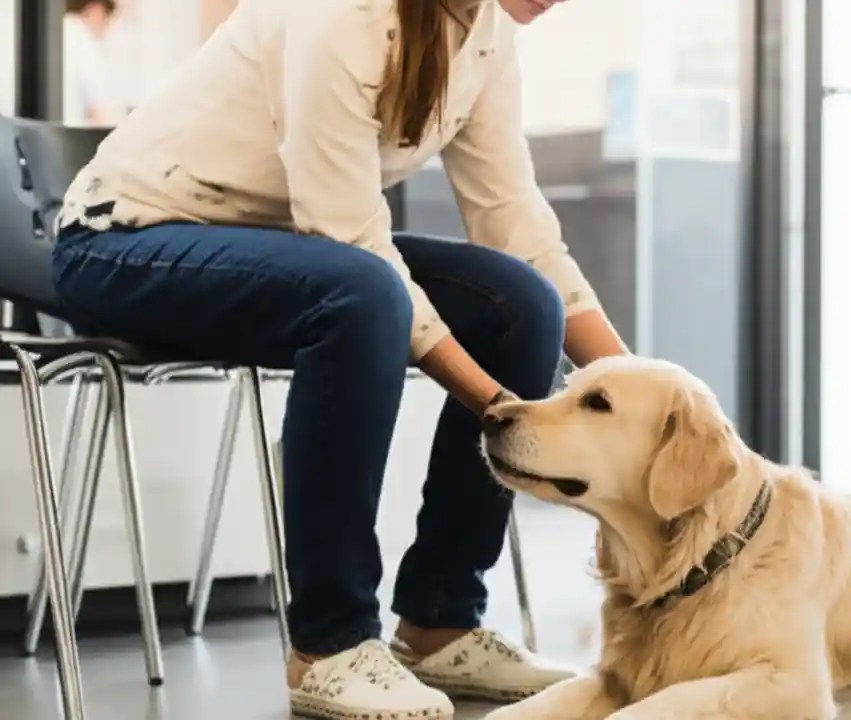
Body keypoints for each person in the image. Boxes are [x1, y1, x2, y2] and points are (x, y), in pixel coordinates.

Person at [51, 0, 628, 717]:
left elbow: (517, 226)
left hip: (275, 239)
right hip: (124, 241)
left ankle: (441, 621)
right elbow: (352, 241)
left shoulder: (488, 31)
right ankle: (329, 645)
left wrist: (642, 392)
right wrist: (504, 410)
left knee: (523, 304)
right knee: (364, 296)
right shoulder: (338, 12)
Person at [63, 0, 126, 126]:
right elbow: (104, 111)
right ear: (96, 9)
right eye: (108, 18)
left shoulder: (55, 31)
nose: (108, 27)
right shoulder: (84, 40)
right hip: (71, 138)